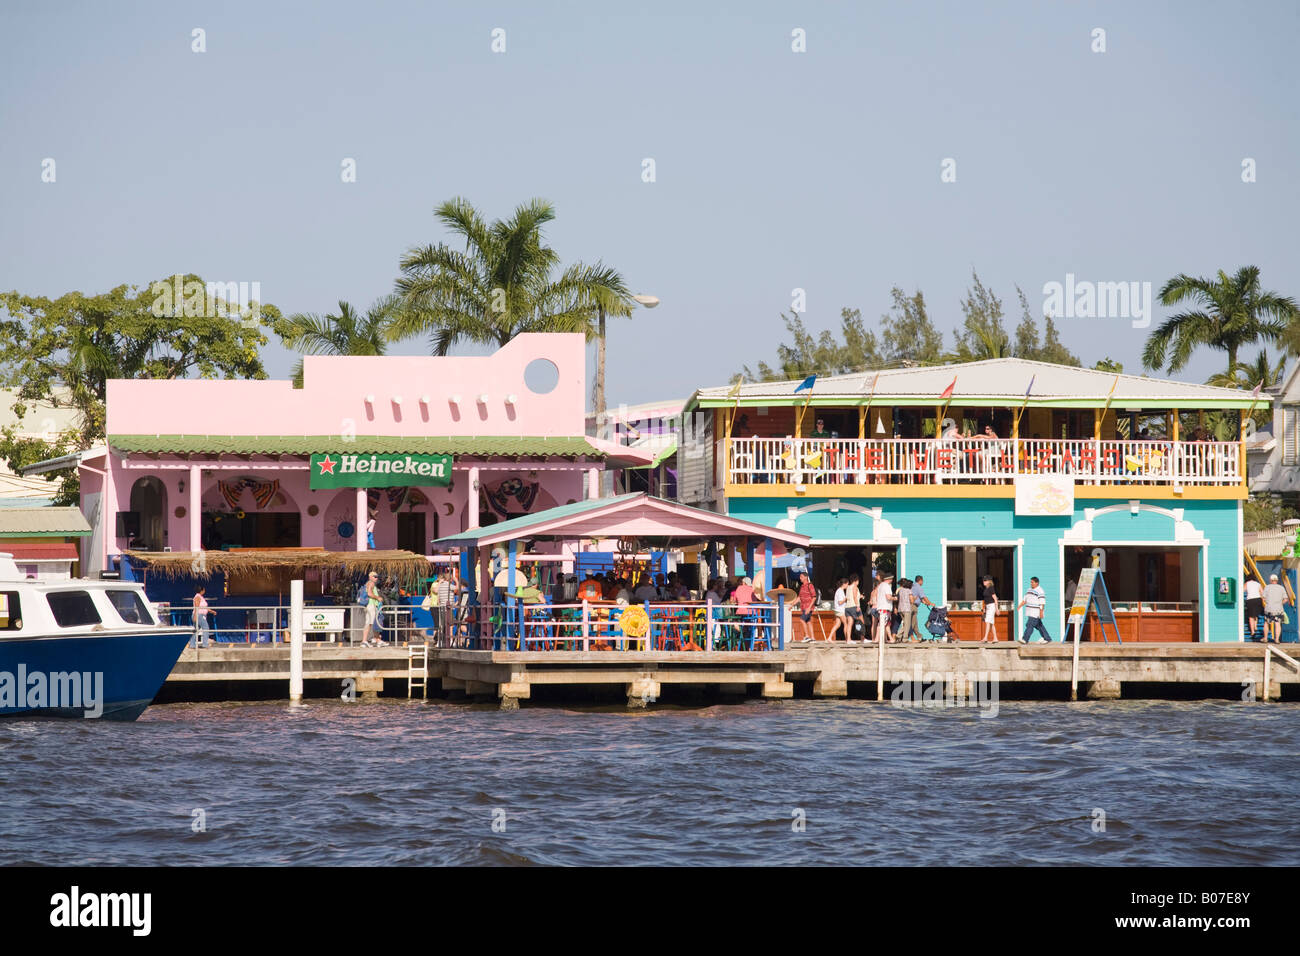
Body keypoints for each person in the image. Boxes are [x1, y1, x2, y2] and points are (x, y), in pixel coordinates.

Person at [1016, 576, 1052, 643]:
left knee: (1030, 625)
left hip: (1035, 612)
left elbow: (1042, 602)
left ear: (1037, 583)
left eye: (1032, 582)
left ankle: (1025, 639)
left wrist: (1041, 612)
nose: (1031, 583)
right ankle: (1047, 638)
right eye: (1031, 582)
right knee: (1039, 625)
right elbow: (1025, 599)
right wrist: (1019, 606)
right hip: (1029, 611)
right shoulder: (1029, 590)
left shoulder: (1040, 591)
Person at [1263, 573, 1290, 644]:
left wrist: (1268, 602)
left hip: (1269, 608)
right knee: (1277, 623)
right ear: (1277, 580)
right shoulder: (1281, 588)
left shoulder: (1267, 587)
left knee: (1266, 623)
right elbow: (1286, 599)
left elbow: (1263, 598)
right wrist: (1280, 603)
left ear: (1270, 580)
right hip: (1278, 609)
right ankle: (1277, 639)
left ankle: (1265, 638)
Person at [362, 572, 387, 647]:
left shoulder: (370, 583)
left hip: (372, 605)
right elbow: (369, 593)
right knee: (369, 623)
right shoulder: (371, 583)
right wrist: (378, 598)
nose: (376, 578)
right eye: (374, 576)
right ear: (370, 577)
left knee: (374, 623)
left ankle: (377, 639)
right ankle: (364, 641)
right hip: (371, 605)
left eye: (377, 577)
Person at [874, 572, 895, 643]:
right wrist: (895, 598)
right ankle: (877, 639)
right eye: (891, 578)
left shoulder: (880, 585)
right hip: (885, 608)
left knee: (886, 624)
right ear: (889, 579)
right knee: (882, 623)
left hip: (880, 607)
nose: (892, 580)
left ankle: (890, 638)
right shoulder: (887, 586)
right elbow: (888, 597)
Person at [796, 571, 817, 642]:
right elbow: (799, 597)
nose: (800, 578)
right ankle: (813, 638)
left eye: (801, 577)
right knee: (808, 622)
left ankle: (807, 636)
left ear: (806, 577)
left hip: (808, 607)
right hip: (803, 607)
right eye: (800, 577)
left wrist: (809, 608)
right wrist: (792, 605)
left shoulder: (810, 585)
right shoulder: (802, 586)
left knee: (802, 620)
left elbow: (814, 597)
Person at [1243, 574, 1264, 641]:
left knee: (1251, 616)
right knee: (1256, 614)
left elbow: (1242, 590)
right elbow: (1262, 592)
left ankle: (1252, 631)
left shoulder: (1247, 583)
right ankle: (1255, 627)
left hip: (1250, 600)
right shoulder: (1258, 584)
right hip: (1258, 599)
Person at [979, 574, 999, 643]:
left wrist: (997, 609)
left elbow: (995, 598)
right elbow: (985, 599)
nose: (983, 581)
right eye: (983, 580)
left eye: (985, 580)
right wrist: (984, 607)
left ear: (989, 581)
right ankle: (995, 638)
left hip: (992, 606)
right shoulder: (986, 589)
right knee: (991, 623)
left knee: (987, 621)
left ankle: (985, 638)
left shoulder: (991, 588)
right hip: (988, 606)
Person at [896, 578, 917, 643]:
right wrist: (914, 598)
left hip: (900, 609)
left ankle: (899, 635)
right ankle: (904, 638)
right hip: (907, 609)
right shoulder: (909, 591)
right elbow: (911, 600)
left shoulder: (900, 590)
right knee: (907, 624)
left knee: (905, 623)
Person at [845, 573, 864, 641]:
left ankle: (848, 639)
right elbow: (854, 597)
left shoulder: (848, 587)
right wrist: (858, 606)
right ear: (856, 580)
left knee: (850, 624)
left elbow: (848, 597)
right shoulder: (855, 587)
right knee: (861, 622)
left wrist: (860, 596)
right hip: (854, 606)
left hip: (847, 607)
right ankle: (862, 638)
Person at [830, 577, 849, 642]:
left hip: (837, 610)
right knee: (846, 624)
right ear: (844, 584)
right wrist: (846, 599)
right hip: (840, 610)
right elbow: (840, 602)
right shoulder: (840, 591)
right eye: (847, 584)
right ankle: (847, 639)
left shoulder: (839, 590)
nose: (847, 586)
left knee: (838, 624)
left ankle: (829, 637)